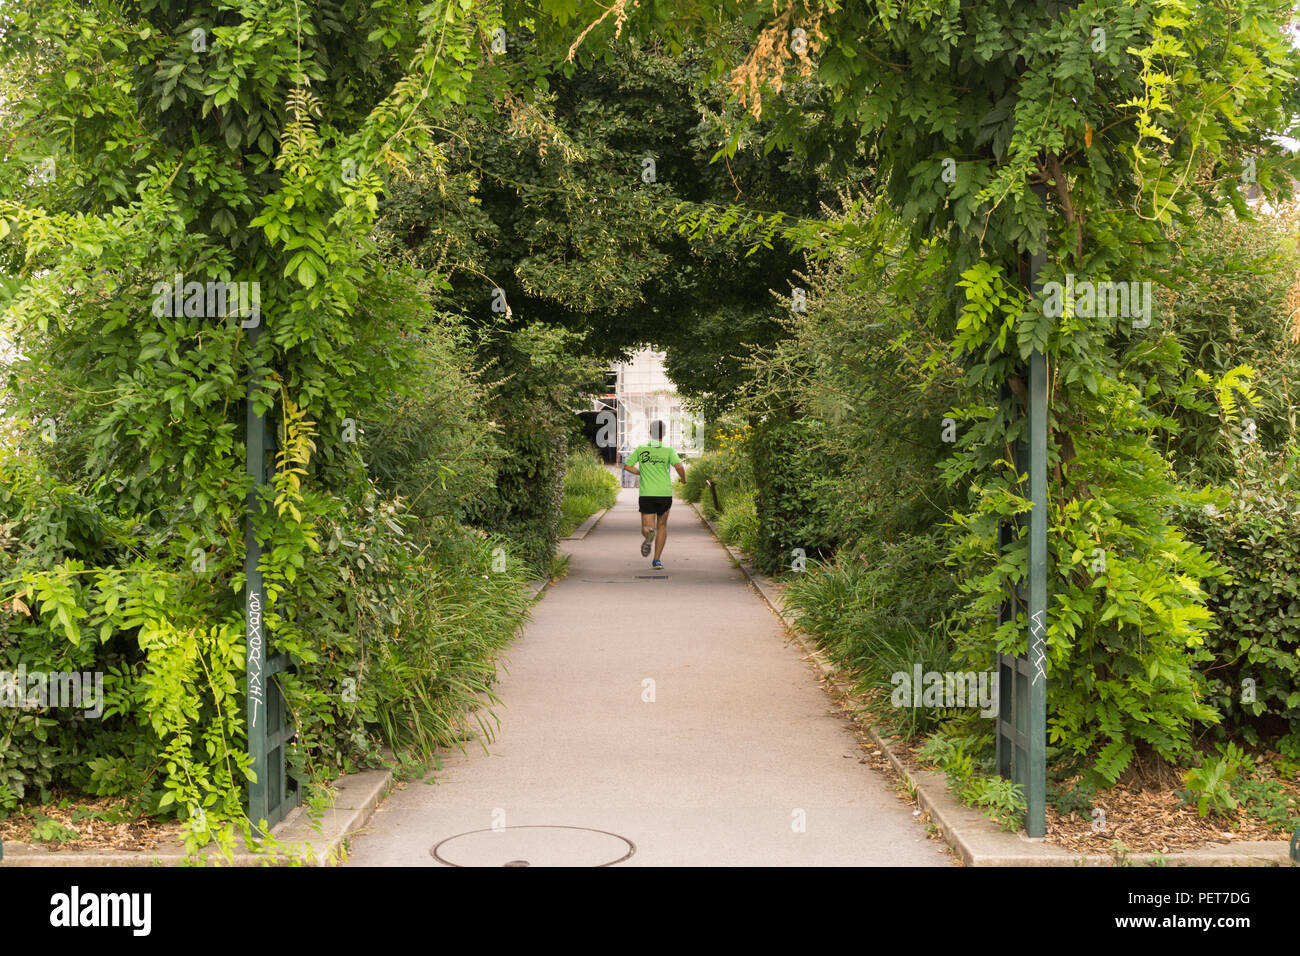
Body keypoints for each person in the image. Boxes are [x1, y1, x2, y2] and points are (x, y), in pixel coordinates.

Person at [622, 420, 686, 569]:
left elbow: (627, 466)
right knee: (662, 526)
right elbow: (679, 466)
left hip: (647, 493)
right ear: (664, 433)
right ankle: (657, 560)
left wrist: (640, 472)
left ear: (650, 432)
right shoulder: (668, 449)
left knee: (647, 527)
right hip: (664, 493)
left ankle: (649, 534)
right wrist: (683, 479)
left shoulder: (642, 448)